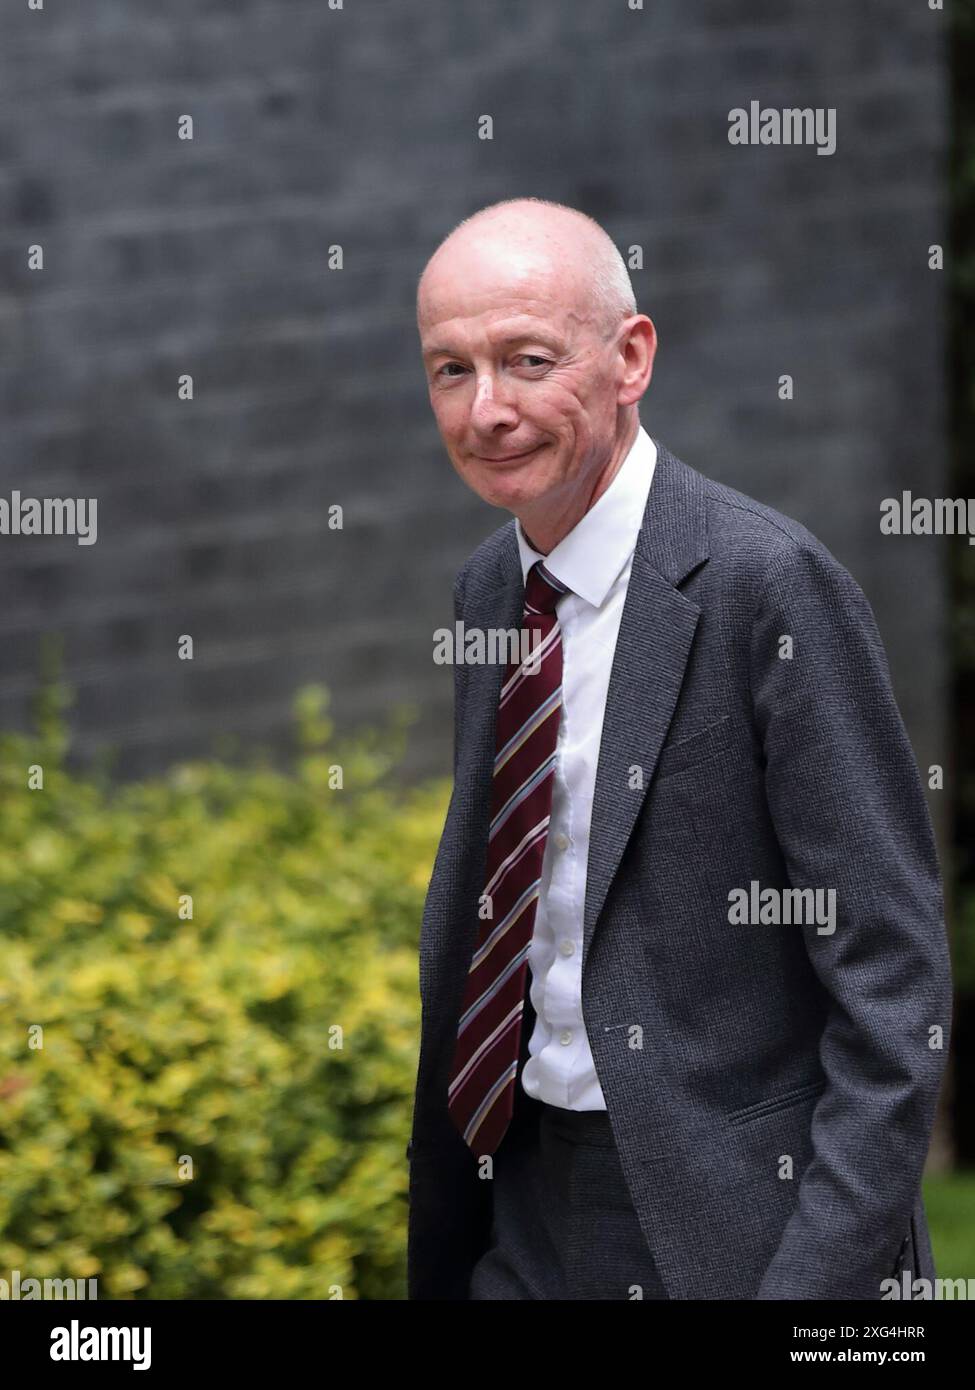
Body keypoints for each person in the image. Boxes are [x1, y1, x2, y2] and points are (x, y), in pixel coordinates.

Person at [406, 196, 952, 1300]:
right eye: (451, 370)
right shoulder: (487, 587)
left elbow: (896, 990)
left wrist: (812, 1285)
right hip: (522, 1204)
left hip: (734, 1227)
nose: (488, 409)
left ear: (631, 357)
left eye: (526, 360)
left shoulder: (769, 585)